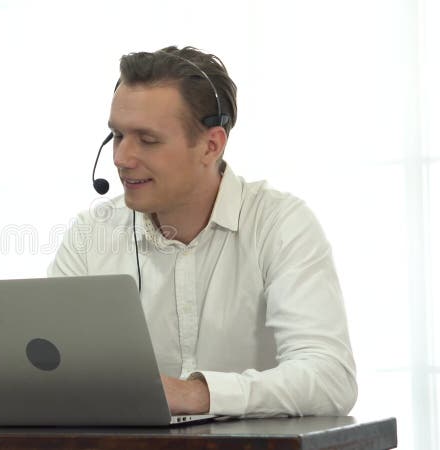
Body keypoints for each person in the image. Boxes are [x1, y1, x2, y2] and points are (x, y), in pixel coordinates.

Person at [48, 46, 357, 417]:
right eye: (116, 136)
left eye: (147, 140)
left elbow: (330, 378)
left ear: (211, 145)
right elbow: (54, 372)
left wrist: (196, 394)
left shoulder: (281, 223)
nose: (121, 158)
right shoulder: (89, 234)